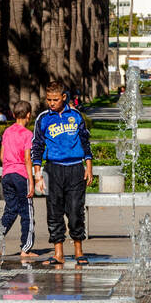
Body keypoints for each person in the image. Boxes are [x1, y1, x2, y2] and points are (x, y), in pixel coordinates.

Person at [31, 80, 93, 268]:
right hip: (53, 169)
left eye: (55, 99)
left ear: (64, 97)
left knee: (75, 211)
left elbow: (85, 142)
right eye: (48, 99)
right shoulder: (43, 118)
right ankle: (58, 253)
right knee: (54, 211)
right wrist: (38, 174)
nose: (51, 103)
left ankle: (78, 250)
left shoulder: (76, 116)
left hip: (75, 168)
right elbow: (37, 146)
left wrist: (88, 167)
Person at [0, 100, 36, 264]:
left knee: (10, 210)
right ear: (28, 115)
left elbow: (2, 156)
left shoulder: (7, 132)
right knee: (27, 212)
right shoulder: (27, 134)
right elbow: (27, 159)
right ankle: (26, 248)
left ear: (13, 115)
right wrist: (31, 181)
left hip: (7, 175)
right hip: (20, 175)